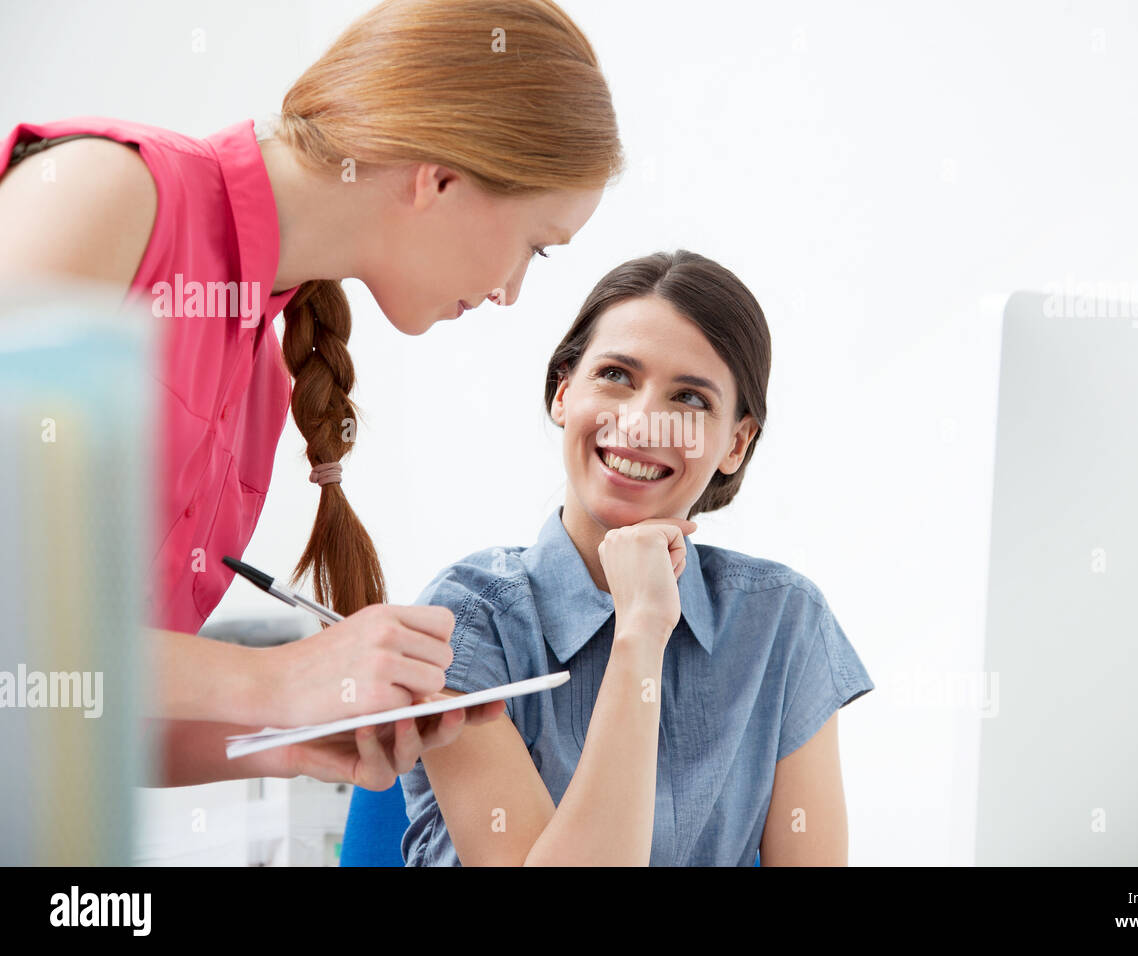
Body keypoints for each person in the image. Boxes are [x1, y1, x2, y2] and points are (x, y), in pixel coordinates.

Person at [0, 0, 623, 789]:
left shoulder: (263, 375)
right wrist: (274, 679)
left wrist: (287, 738)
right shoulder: (102, 192)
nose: (511, 292)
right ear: (440, 178)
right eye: (534, 245)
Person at [399, 250, 875, 865]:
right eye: (617, 376)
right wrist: (641, 631)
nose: (644, 422)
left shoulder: (783, 622)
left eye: (691, 400)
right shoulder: (467, 622)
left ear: (736, 442)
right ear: (564, 393)